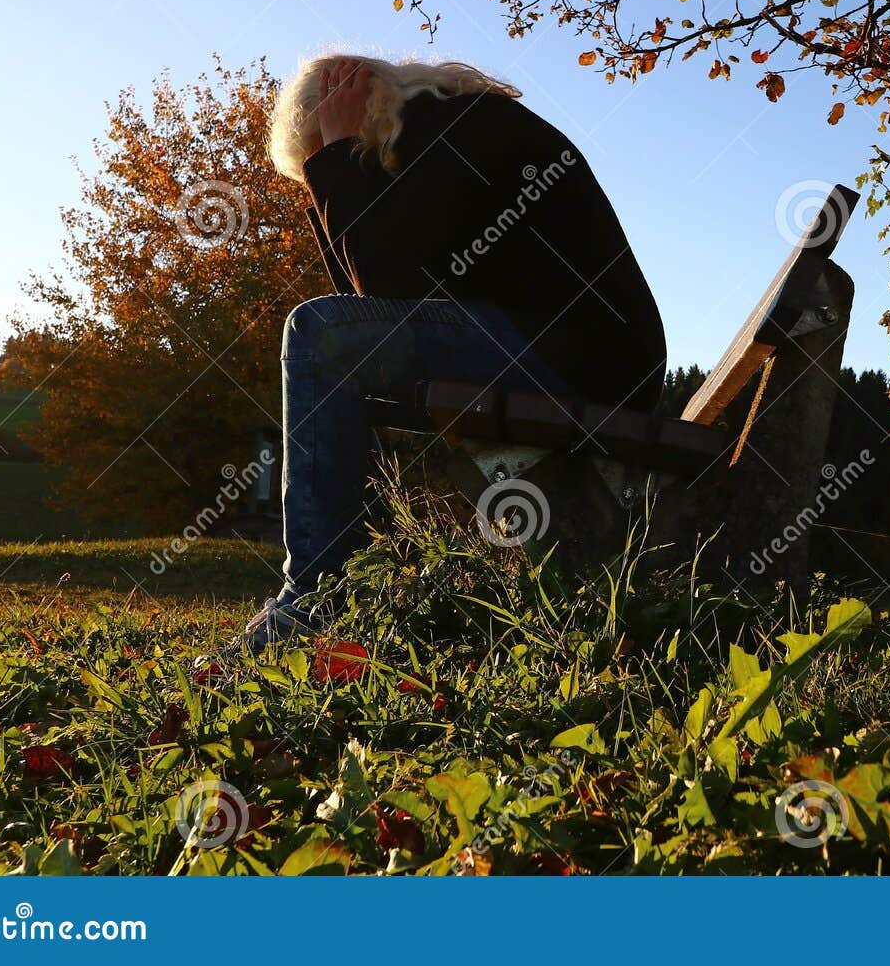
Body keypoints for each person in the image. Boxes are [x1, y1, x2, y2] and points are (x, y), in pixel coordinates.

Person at [240, 54, 667, 647]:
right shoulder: (430, 135)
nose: (331, 171)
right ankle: (348, 585)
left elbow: (381, 294)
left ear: (353, 116)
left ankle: (315, 598)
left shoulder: (457, 127)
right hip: (563, 351)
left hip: (586, 354)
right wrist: (332, 177)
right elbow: (369, 305)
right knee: (329, 346)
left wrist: (337, 158)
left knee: (314, 332)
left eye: (326, 150)